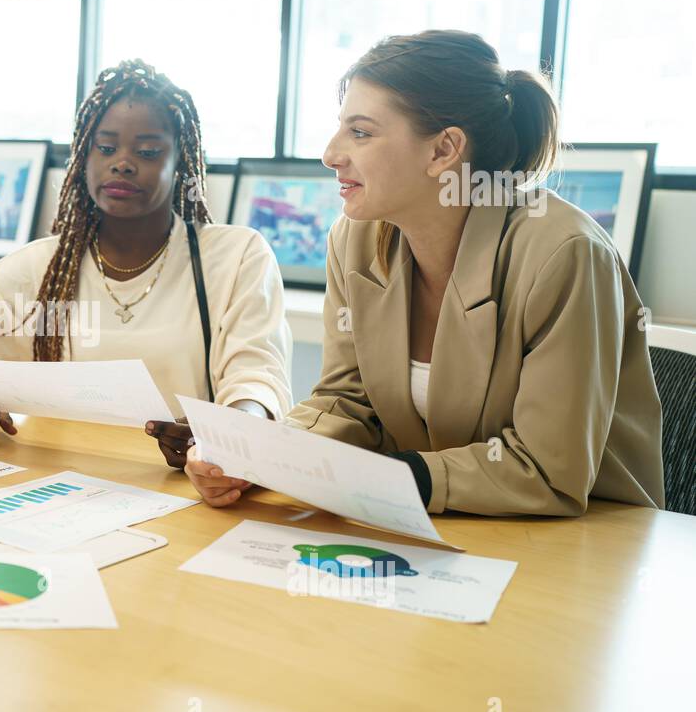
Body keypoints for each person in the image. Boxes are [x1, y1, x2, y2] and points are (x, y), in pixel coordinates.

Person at [187, 30, 664, 515]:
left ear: (443, 151)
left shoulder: (565, 253)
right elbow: (348, 402)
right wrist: (260, 454)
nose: (330, 154)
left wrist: (390, 478)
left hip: (584, 544)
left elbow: (546, 471)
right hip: (439, 525)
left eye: (361, 132)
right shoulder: (353, 240)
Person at [0, 59, 292, 468]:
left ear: (182, 164)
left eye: (148, 151)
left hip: (189, 485)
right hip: (59, 487)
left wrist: (226, 436)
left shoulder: (234, 257)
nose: (122, 162)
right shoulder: (40, 267)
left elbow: (257, 379)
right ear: (84, 158)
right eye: (105, 148)